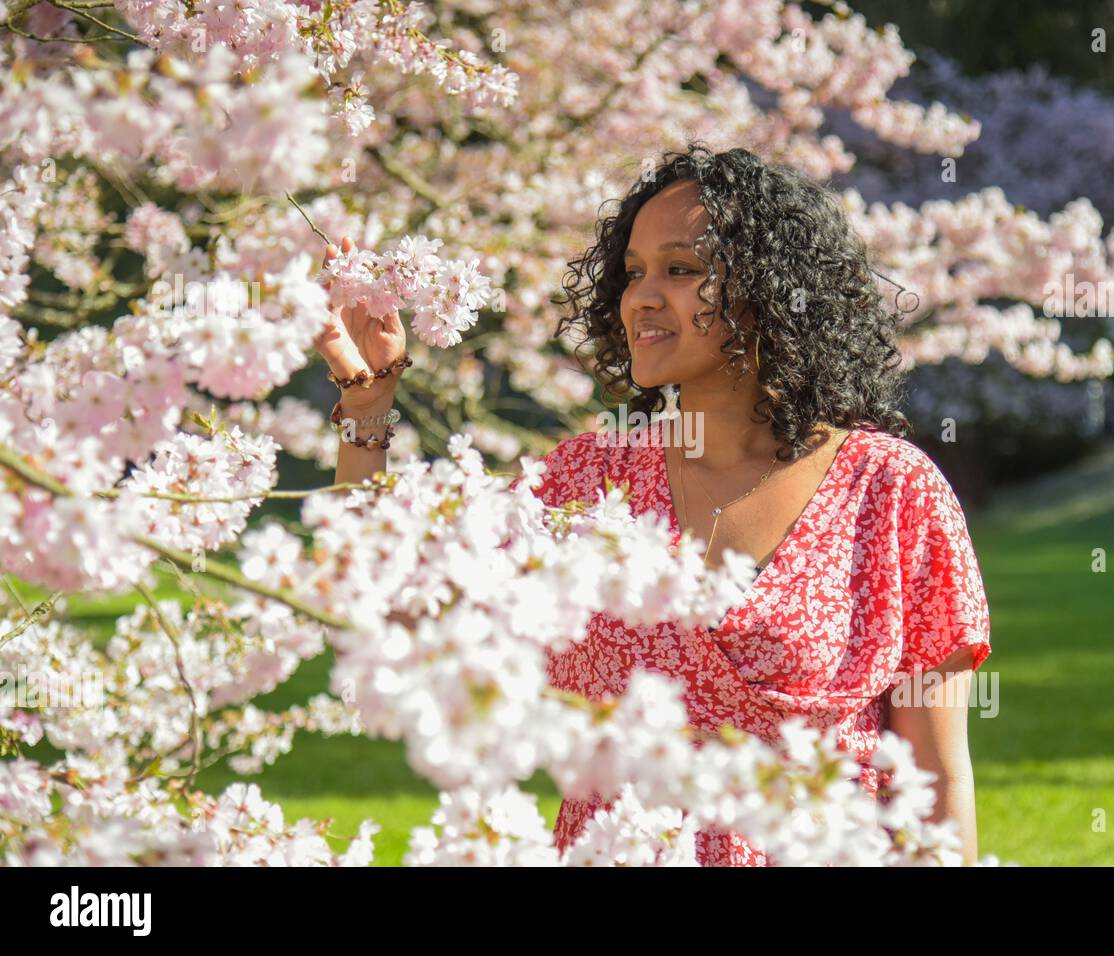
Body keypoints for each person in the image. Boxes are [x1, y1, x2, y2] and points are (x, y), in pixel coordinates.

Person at [314, 143, 992, 866]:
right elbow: (382, 602)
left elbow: (938, 777)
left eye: (681, 269)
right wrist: (368, 406)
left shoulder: (893, 493)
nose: (641, 295)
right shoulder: (586, 482)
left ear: (769, 288)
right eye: (633, 272)